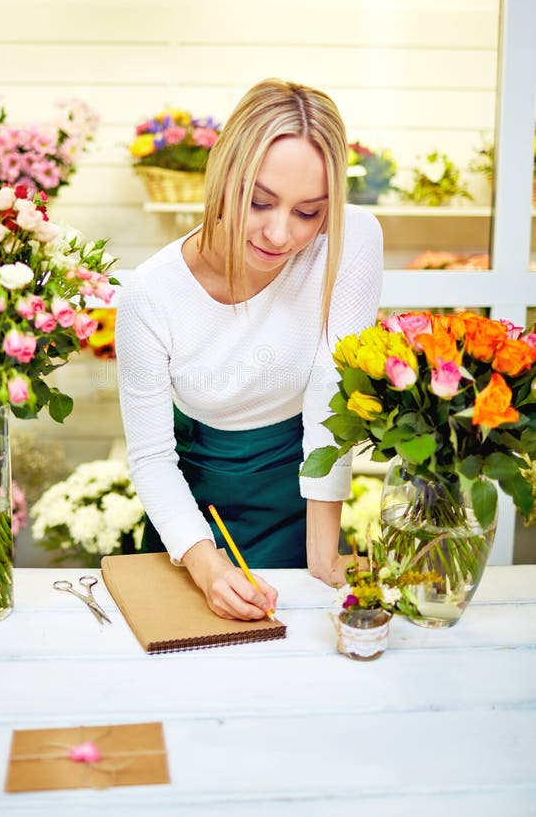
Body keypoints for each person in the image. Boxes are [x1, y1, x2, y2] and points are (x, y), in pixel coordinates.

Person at [115, 78, 383, 621]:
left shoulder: (351, 241)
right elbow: (151, 458)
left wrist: (322, 557)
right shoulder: (150, 293)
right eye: (259, 202)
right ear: (223, 173)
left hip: (304, 494)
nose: (280, 234)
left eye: (310, 212)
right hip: (192, 506)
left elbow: (333, 397)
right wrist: (208, 566)